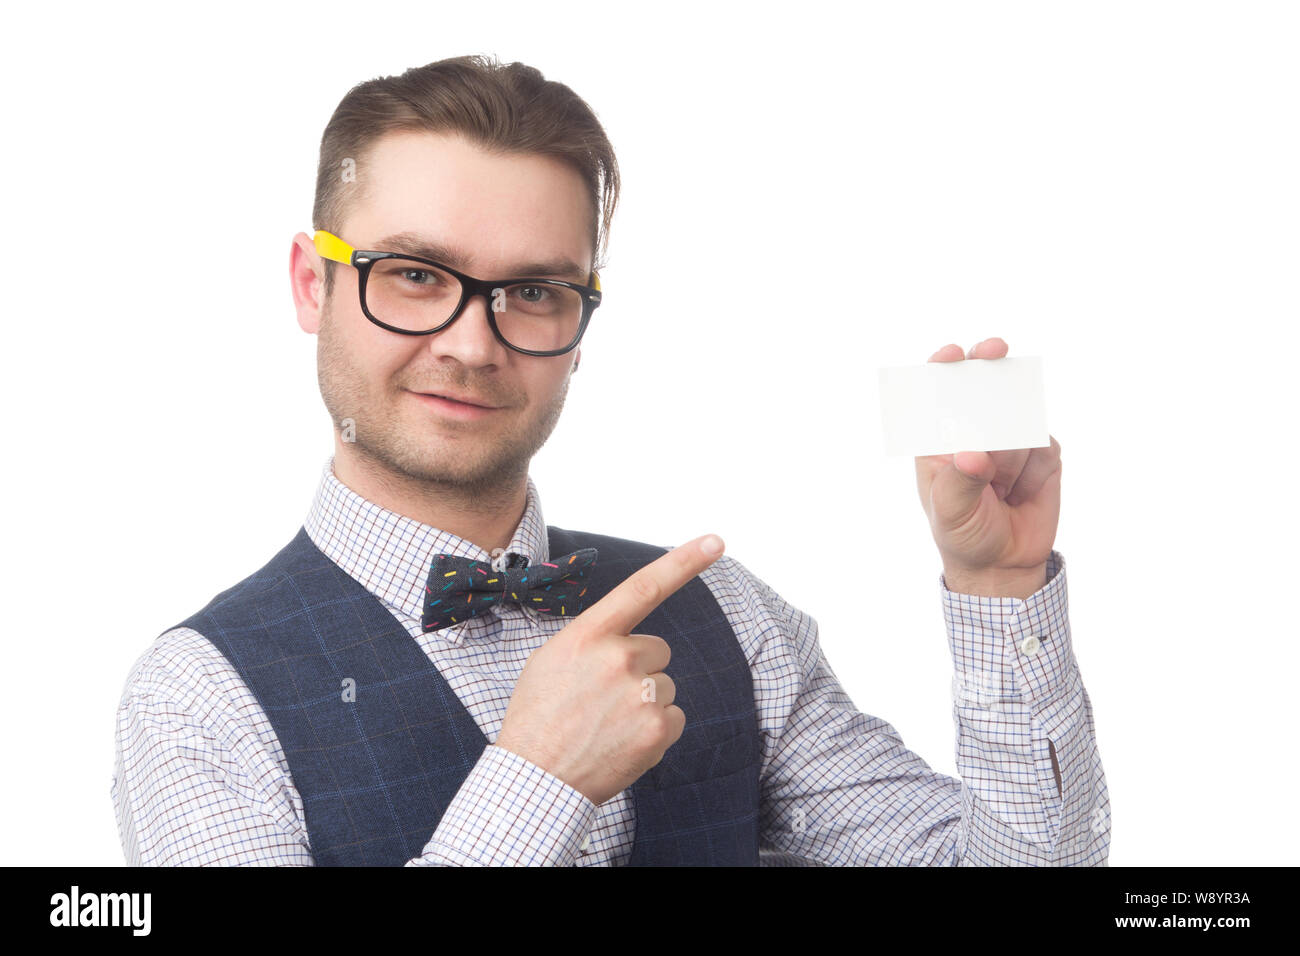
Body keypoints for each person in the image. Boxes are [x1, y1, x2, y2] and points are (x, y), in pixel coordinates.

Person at [111, 54, 1109, 866]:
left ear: (579, 325)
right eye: (415, 275)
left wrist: (999, 586)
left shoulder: (729, 618)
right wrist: (540, 780)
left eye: (533, 293)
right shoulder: (198, 700)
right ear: (311, 283)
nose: (471, 343)